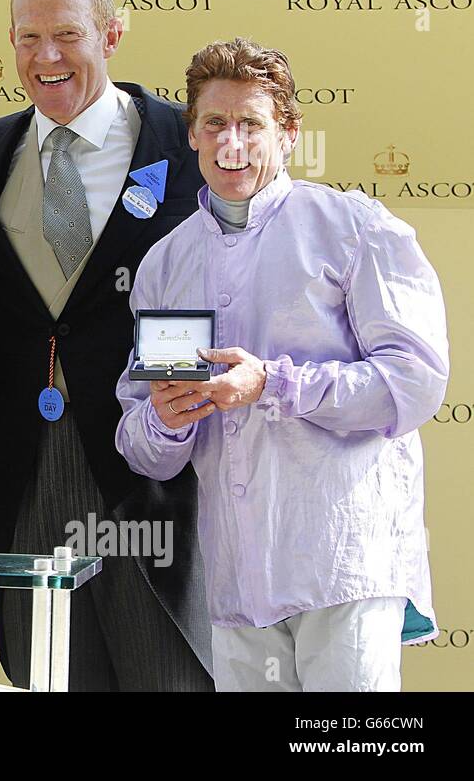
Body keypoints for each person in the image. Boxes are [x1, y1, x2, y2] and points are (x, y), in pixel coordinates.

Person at [115, 37, 447, 691]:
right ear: (192, 135)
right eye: (214, 123)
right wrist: (167, 418)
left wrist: (274, 382)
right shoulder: (167, 264)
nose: (230, 142)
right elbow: (148, 448)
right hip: (238, 580)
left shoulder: (354, 229)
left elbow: (413, 382)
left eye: (251, 124)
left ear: (290, 133)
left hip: (342, 566)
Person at [0, 0, 212, 690]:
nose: (46, 56)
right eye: (28, 37)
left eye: (67, 34)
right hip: (29, 474)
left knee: (167, 677)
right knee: (48, 678)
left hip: (154, 480)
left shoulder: (189, 143)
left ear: (112, 33)